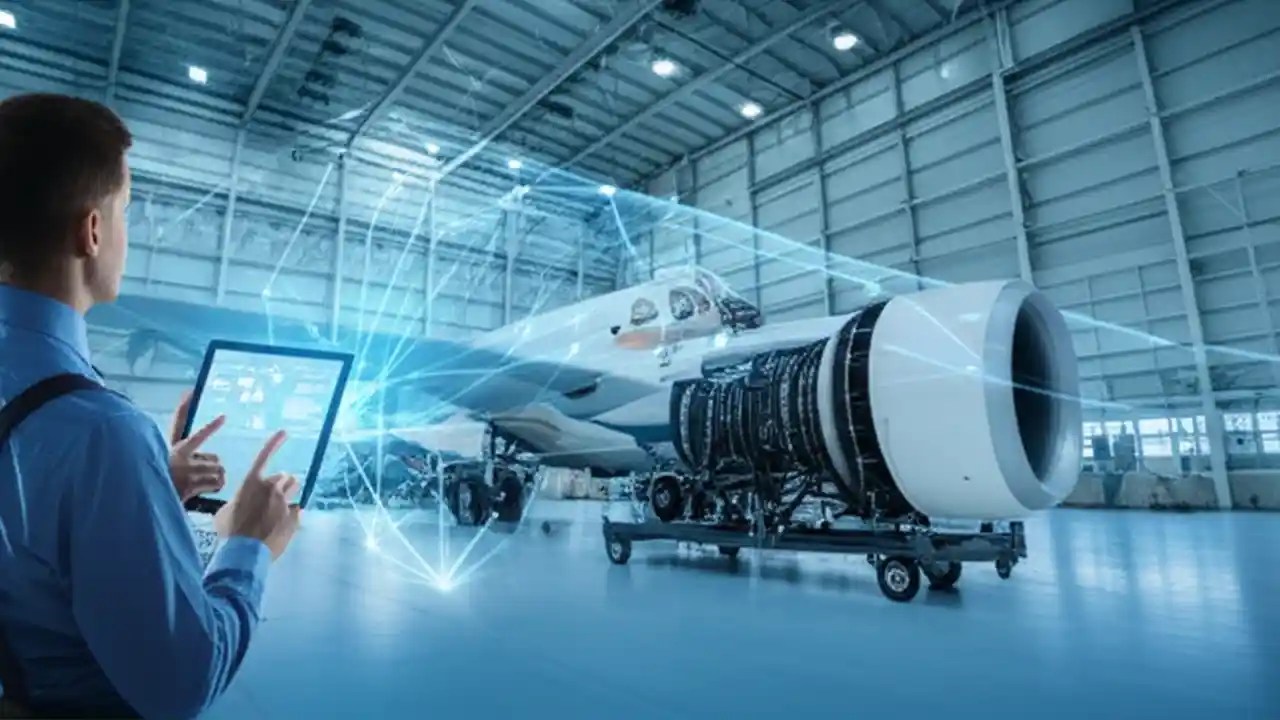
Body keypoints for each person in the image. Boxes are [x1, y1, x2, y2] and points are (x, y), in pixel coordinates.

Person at [0, 93, 303, 718]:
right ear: (91, 230)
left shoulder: (84, 435)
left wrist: (148, 486)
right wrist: (247, 545)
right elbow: (179, 684)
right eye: (125, 211)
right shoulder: (101, 433)